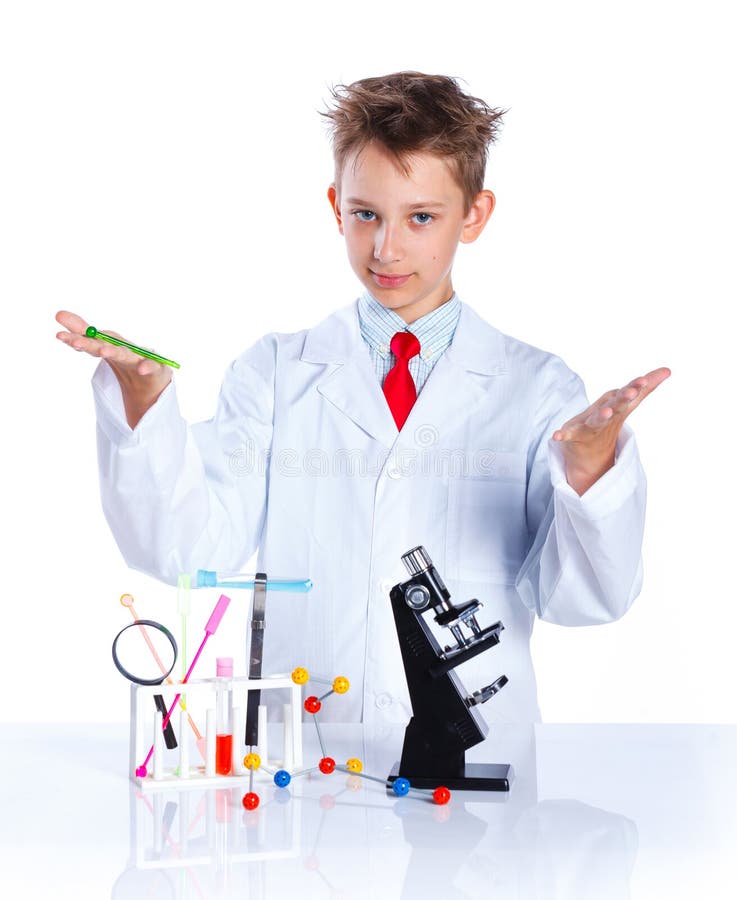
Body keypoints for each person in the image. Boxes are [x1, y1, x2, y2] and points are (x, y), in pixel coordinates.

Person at [56, 72, 670, 726]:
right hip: (310, 753)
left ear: (475, 214)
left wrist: (588, 472)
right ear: (335, 206)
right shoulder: (275, 373)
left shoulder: (536, 388)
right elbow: (186, 551)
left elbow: (582, 599)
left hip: (476, 762)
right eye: (365, 214)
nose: (386, 248)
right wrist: (144, 403)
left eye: (421, 217)